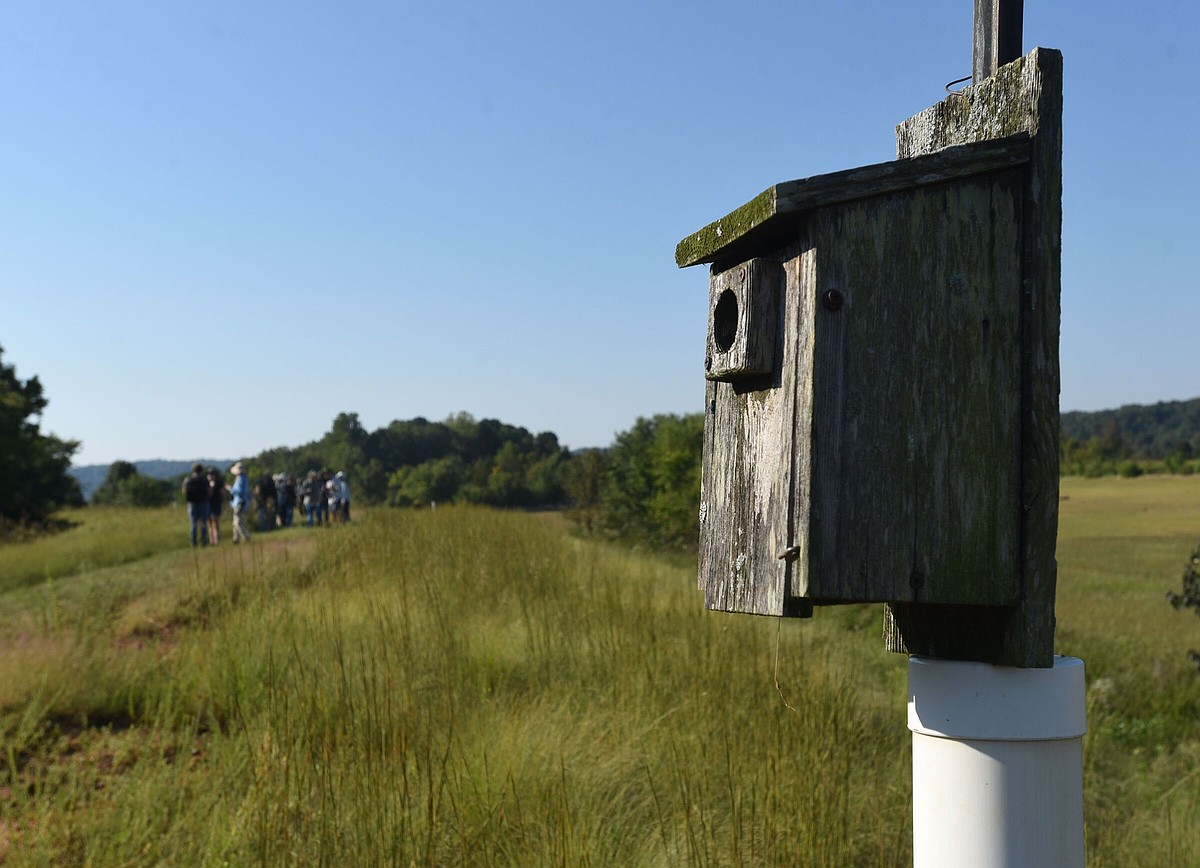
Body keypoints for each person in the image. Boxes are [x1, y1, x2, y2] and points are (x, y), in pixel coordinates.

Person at [181, 463, 210, 547]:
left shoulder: (188, 479)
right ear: (201, 470)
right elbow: (209, 491)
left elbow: (184, 491)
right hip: (203, 502)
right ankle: (204, 542)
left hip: (192, 503)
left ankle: (193, 542)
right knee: (203, 522)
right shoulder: (204, 479)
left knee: (193, 524)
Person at [229, 462, 252, 544]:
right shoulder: (244, 478)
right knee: (236, 521)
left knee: (237, 522)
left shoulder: (240, 479)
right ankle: (235, 539)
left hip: (239, 502)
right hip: (242, 502)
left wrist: (230, 489)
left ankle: (246, 537)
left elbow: (239, 491)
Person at [207, 467, 225, 546]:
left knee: (215, 522)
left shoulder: (219, 483)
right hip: (209, 504)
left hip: (216, 504)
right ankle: (212, 540)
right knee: (210, 524)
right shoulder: (206, 483)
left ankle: (216, 540)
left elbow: (222, 493)